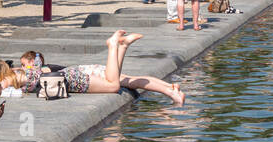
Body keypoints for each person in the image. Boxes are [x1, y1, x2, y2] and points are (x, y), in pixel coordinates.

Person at [15, 31, 185, 105]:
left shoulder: (38, 66)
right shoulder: (40, 65)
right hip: (87, 71)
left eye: (24, 63)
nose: (23, 67)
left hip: (86, 73)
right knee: (129, 80)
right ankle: (169, 88)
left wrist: (22, 70)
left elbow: (35, 63)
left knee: (124, 81)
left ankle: (170, 92)